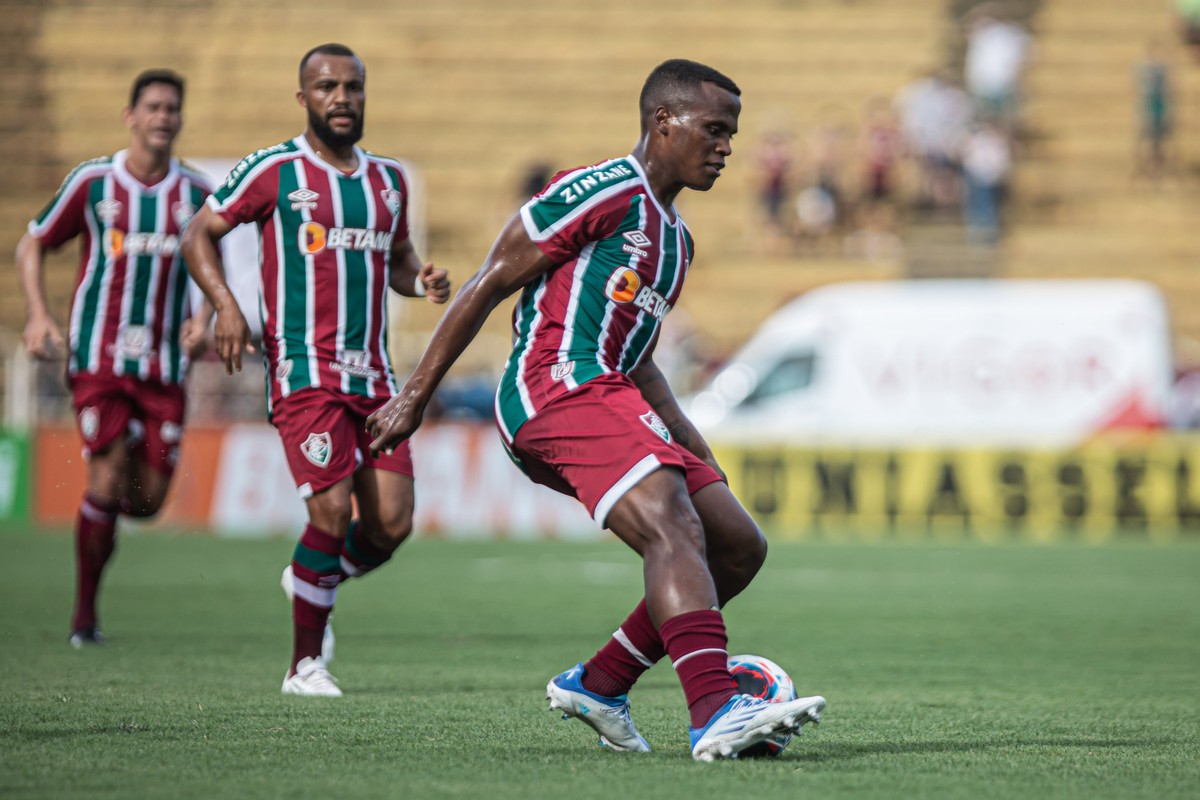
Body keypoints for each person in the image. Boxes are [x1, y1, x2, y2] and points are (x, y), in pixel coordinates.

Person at [365, 58, 825, 761]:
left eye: (732, 133)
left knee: (737, 544)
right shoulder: (601, 188)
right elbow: (491, 278)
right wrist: (414, 394)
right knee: (671, 517)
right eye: (715, 130)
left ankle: (601, 684)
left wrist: (694, 446)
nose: (727, 146)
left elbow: (638, 360)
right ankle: (714, 712)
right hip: (550, 386)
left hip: (614, 394)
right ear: (662, 123)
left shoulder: (676, 240)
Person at [180, 43, 450, 697]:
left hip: (377, 378)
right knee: (329, 509)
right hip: (305, 372)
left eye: (352, 87)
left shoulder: (388, 180)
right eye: (326, 87)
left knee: (392, 525)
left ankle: (314, 575)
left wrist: (425, 280)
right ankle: (304, 665)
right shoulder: (275, 170)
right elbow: (197, 233)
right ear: (303, 98)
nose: (341, 98)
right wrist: (225, 307)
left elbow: (400, 263)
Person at [16, 69, 213, 649]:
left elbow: (216, 267)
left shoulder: (198, 196)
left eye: (172, 108)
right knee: (103, 474)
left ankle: (113, 498)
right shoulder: (94, 183)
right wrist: (38, 315)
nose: (163, 117)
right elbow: (34, 242)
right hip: (97, 360)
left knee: (148, 502)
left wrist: (205, 319)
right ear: (131, 116)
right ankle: (84, 618)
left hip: (164, 370)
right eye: (152, 107)